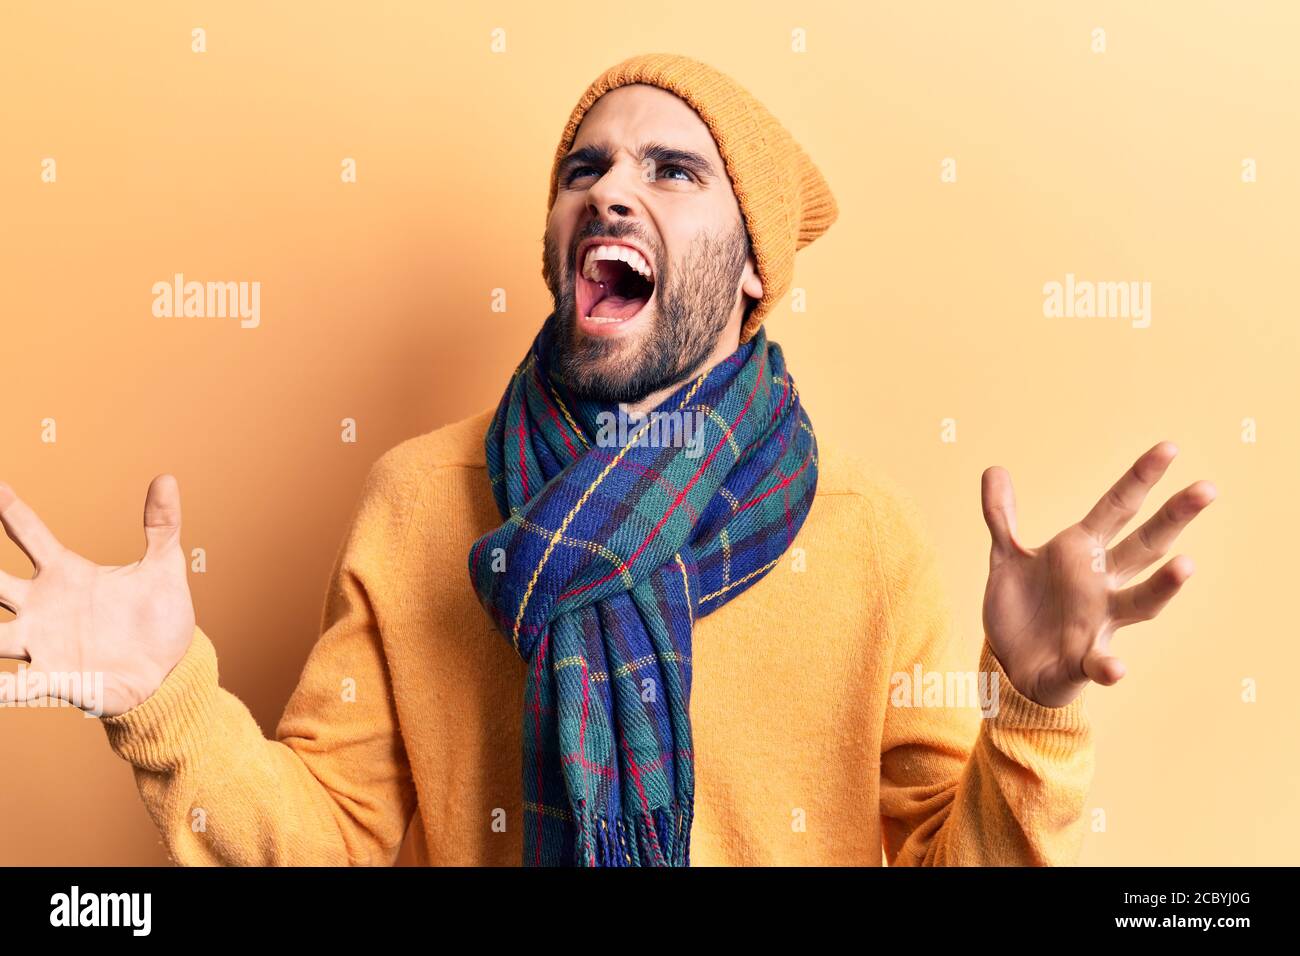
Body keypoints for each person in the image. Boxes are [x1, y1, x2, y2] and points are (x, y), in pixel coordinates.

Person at [0, 53, 1216, 866]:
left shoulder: (862, 537)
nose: (609, 192)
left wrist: (1032, 712)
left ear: (754, 269)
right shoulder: (420, 502)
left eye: (671, 170)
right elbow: (330, 840)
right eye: (584, 169)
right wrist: (162, 698)